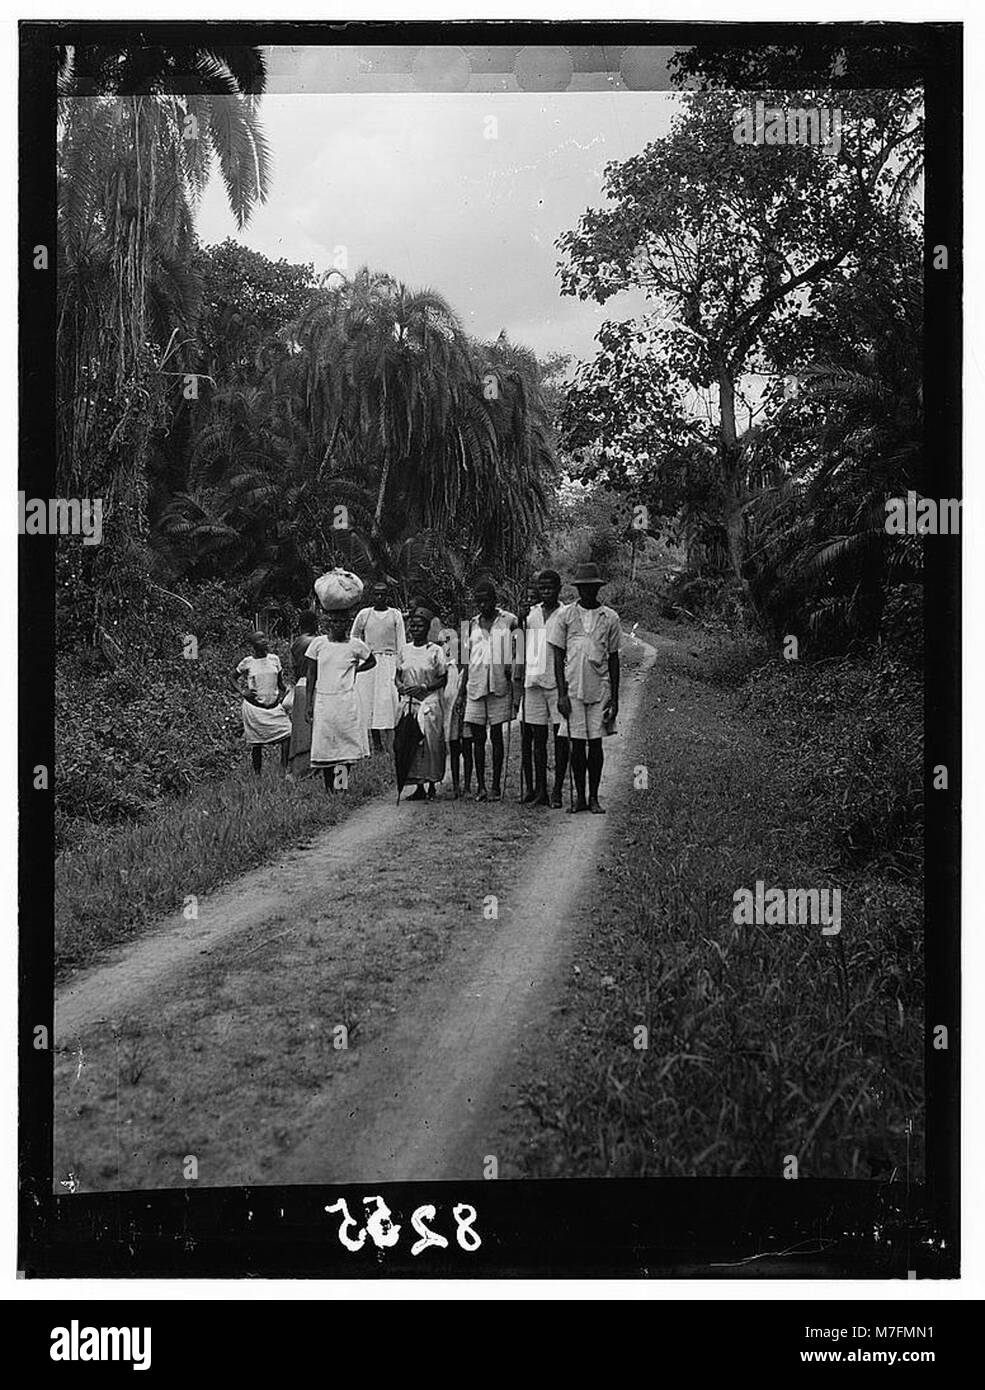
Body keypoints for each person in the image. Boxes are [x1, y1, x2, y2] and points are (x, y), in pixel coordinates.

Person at [549, 562, 621, 814]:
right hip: (573, 688)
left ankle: (593, 797)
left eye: (592, 588)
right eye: (583, 588)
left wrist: (615, 697)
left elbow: (613, 658)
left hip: (600, 688)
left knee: (596, 744)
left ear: (598, 589)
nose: (587, 592)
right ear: (578, 589)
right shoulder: (565, 615)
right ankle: (579, 797)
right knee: (576, 745)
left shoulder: (610, 617)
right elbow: (558, 656)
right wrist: (561, 693)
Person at [455, 579, 519, 802]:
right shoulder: (468, 625)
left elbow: (519, 653)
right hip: (475, 686)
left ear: (495, 600)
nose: (483, 606)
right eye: (479, 602)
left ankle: (495, 786)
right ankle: (480, 786)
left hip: (500, 686)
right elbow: (463, 662)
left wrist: (515, 679)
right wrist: (461, 693)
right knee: (477, 737)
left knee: (497, 737)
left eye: (487, 601)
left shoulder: (510, 621)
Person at [304, 610, 377, 793]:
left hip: (346, 700)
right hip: (324, 699)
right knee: (327, 744)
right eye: (334, 621)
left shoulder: (355, 645)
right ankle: (329, 787)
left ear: (348, 623)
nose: (338, 625)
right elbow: (311, 673)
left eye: (342, 621)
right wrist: (308, 704)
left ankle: (340, 785)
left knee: (345, 746)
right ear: (328, 622)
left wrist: (356, 670)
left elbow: (371, 661)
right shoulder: (318, 644)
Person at [520, 568, 569, 807]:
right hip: (534, 682)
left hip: (558, 684)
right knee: (537, 739)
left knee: (560, 738)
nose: (546, 591)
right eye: (542, 587)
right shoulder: (531, 615)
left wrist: (565, 690)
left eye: (550, 587)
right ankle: (541, 789)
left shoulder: (566, 614)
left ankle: (558, 788)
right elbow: (525, 646)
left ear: (559, 589)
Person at [396, 608, 449, 801]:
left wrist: (425, 686)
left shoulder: (435, 650)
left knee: (431, 743)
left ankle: (432, 783)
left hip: (429, 702)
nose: (415, 629)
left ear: (427, 628)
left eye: (420, 626)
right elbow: (397, 675)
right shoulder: (404, 650)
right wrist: (401, 687)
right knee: (411, 743)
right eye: (413, 626)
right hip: (409, 702)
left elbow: (443, 678)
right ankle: (418, 786)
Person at [350, 582, 406, 753]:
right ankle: (376, 745)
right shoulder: (364, 614)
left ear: (388, 596)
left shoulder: (395, 615)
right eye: (377, 594)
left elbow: (401, 641)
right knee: (369, 701)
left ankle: (393, 744)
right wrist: (361, 654)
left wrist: (401, 665)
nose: (380, 598)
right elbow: (354, 636)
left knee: (389, 701)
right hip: (369, 662)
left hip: (389, 662)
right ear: (372, 595)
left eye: (383, 594)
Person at [233, 631, 293, 776]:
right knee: (257, 743)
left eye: (265, 638)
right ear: (253, 645)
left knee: (288, 733)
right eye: (260, 639)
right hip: (254, 708)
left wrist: (288, 694)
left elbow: (280, 683)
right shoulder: (247, 662)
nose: (264, 641)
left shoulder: (274, 660)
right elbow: (233, 677)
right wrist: (242, 691)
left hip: (273, 707)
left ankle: (283, 769)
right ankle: (257, 773)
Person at [438, 612, 473, 798]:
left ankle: (467, 785)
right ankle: (456, 786)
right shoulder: (448, 666)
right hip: (450, 712)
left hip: (467, 711)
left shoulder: (469, 668)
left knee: (467, 748)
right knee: (454, 748)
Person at [285, 610, 318, 779]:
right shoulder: (315, 642)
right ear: (314, 624)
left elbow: (294, 669)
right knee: (312, 730)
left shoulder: (295, 643)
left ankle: (296, 768)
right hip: (313, 687)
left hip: (299, 686)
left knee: (299, 730)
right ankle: (311, 768)